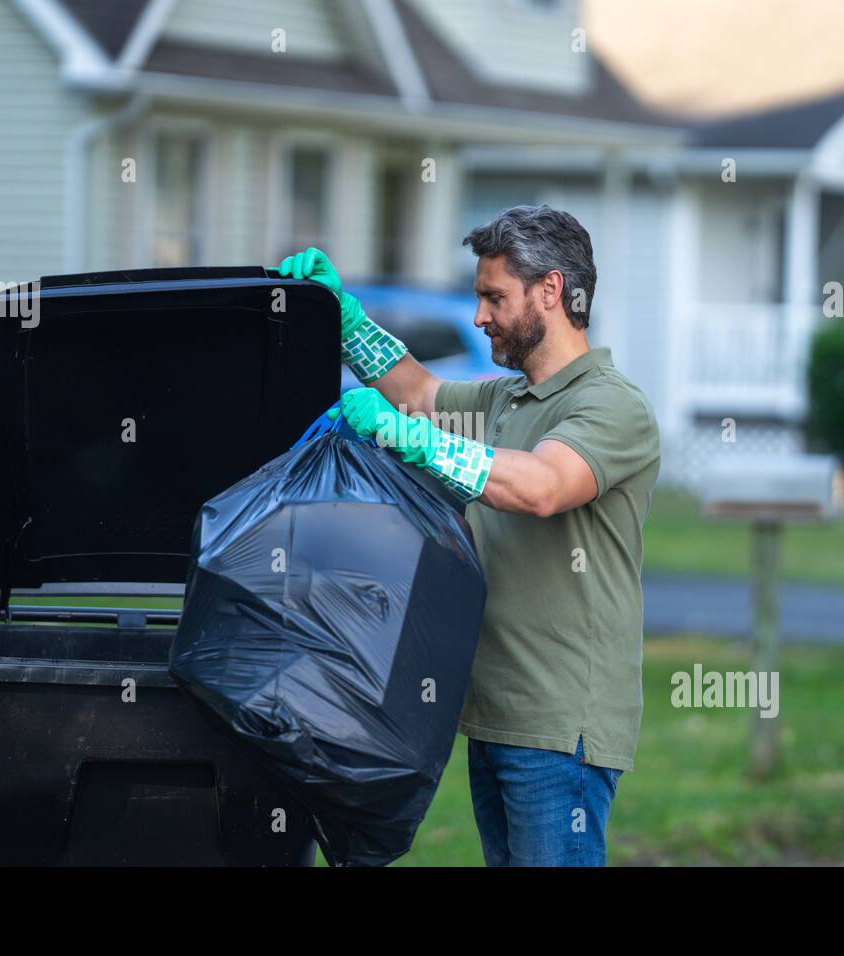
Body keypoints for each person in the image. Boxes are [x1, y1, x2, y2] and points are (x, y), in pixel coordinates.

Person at [273, 204, 661, 866]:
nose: (479, 316)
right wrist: (344, 318)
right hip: (493, 715)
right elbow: (418, 395)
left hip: (561, 726)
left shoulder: (611, 405)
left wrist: (414, 440)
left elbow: (539, 486)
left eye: (493, 297)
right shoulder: (505, 401)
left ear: (552, 290)